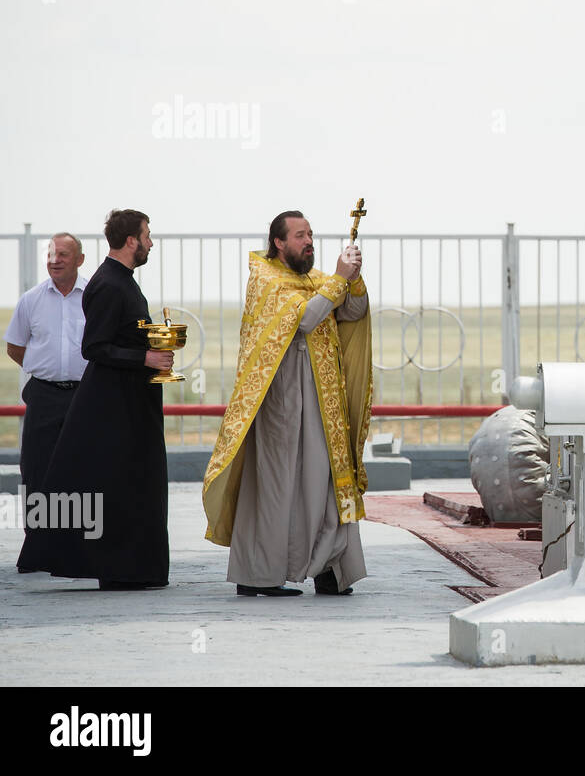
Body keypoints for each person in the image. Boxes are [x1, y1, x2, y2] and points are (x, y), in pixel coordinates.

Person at [202, 211, 372, 597]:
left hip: (322, 405)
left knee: (327, 481)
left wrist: (353, 278)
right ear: (279, 243)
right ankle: (257, 574)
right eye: (299, 235)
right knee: (276, 486)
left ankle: (330, 569)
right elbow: (306, 319)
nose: (308, 241)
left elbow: (353, 312)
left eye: (310, 234)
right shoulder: (266, 278)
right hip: (281, 403)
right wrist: (339, 280)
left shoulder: (313, 279)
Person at [16, 210, 173, 589]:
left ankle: (133, 566)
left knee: (130, 483)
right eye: (147, 236)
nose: (151, 243)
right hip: (115, 404)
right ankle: (117, 567)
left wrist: (152, 346)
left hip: (130, 401)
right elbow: (95, 347)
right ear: (132, 240)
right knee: (114, 484)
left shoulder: (120, 281)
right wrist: (146, 357)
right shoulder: (109, 284)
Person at [5, 234, 89, 525]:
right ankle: (39, 540)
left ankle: (81, 540)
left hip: (85, 396)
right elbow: (14, 346)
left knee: (84, 467)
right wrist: (44, 368)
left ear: (80, 260)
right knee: (37, 468)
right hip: (43, 395)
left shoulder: (94, 297)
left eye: (64, 254)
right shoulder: (31, 300)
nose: (55, 260)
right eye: (52, 254)